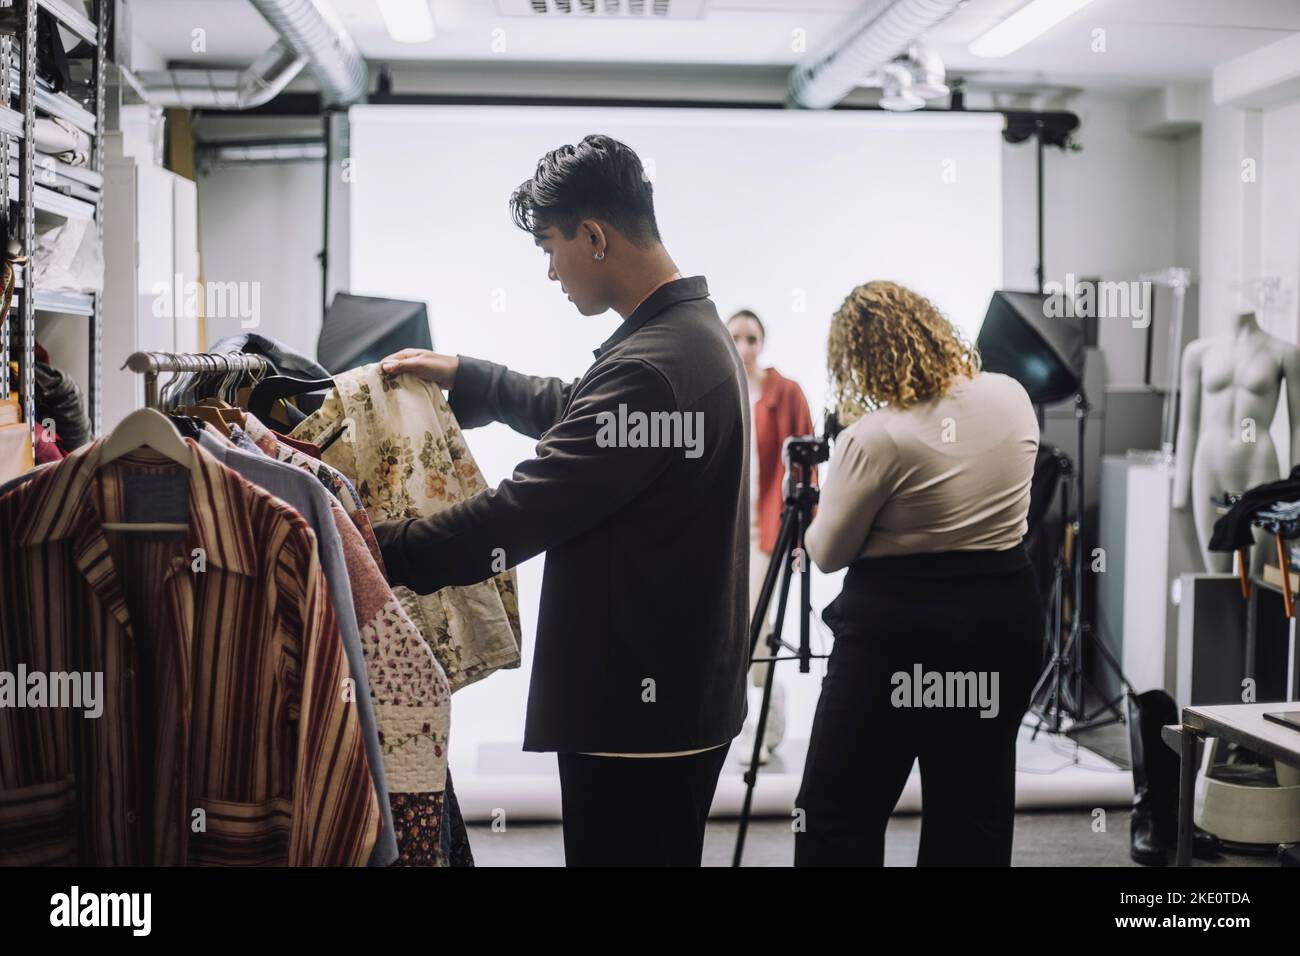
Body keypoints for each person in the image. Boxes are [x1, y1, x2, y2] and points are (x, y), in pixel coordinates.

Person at [371, 134, 750, 867]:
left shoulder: (653, 366)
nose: (550, 272)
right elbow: (583, 410)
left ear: (595, 237)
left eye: (550, 247)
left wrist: (365, 544)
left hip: (638, 721)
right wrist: (470, 376)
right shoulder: (688, 335)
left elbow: (519, 514)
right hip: (678, 701)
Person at [795, 280, 1041, 867]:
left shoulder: (873, 437)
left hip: (898, 640)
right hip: (1002, 624)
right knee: (973, 815)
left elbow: (827, 551)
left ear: (858, 360)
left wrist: (825, 504)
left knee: (837, 813)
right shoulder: (1011, 396)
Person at [726, 309, 815, 764]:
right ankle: (756, 715)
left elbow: (805, 469)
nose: (743, 348)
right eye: (735, 337)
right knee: (729, 632)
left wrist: (801, 536)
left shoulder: (786, 393)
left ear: (763, 342)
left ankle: (761, 722)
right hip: (723, 537)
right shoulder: (718, 391)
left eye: (751, 338)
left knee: (757, 629)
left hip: (768, 535)